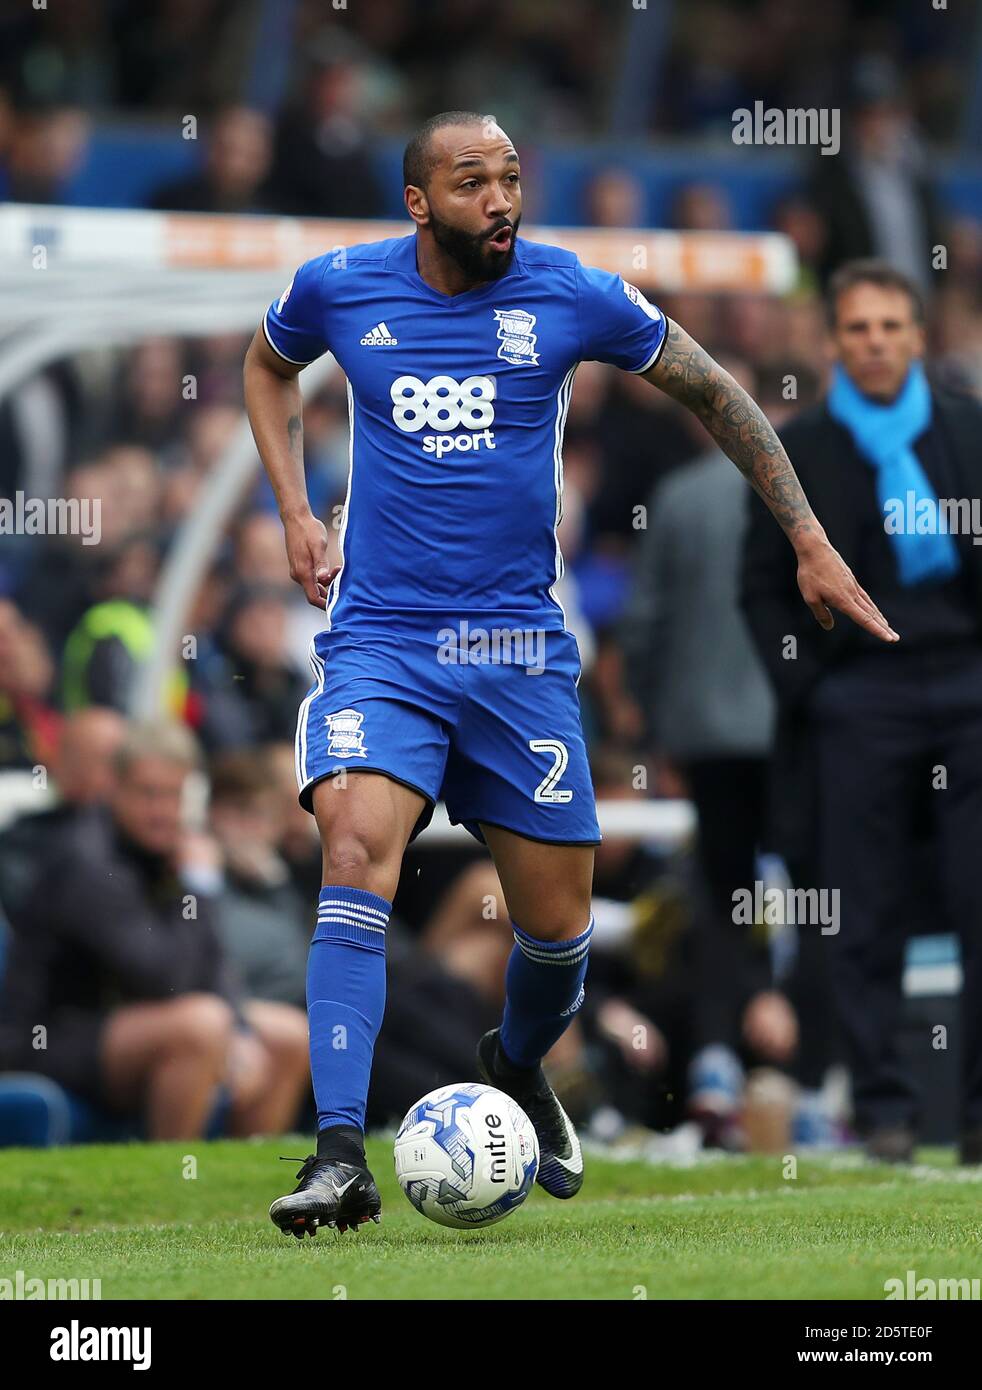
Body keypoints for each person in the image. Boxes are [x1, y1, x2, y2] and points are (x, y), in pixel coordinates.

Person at [243, 110, 896, 1238]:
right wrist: (297, 512)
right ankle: (339, 1155)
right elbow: (264, 366)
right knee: (355, 852)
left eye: (509, 176)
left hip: (517, 657)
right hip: (383, 643)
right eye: (471, 182)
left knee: (557, 931)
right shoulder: (338, 286)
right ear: (418, 202)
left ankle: (518, 1056)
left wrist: (809, 538)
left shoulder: (570, 291)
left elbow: (716, 393)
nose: (500, 199)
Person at [742, 260, 982, 1163]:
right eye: (858, 328)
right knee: (863, 909)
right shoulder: (794, 450)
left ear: (919, 336)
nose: (875, 342)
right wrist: (817, 692)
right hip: (858, 700)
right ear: (833, 342)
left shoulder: (969, 429)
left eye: (891, 326)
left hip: (967, 684)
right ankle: (883, 1113)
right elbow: (760, 591)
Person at [0, 721, 309, 1140]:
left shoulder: (164, 848)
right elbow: (162, 976)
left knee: (290, 1035)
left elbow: (213, 962)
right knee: (201, 1025)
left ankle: (242, 1190)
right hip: (49, 1038)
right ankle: (173, 1179)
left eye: (174, 794)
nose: (162, 810)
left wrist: (239, 1029)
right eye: (149, 793)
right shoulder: (86, 860)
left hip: (132, 1022)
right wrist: (201, 885)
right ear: (115, 787)